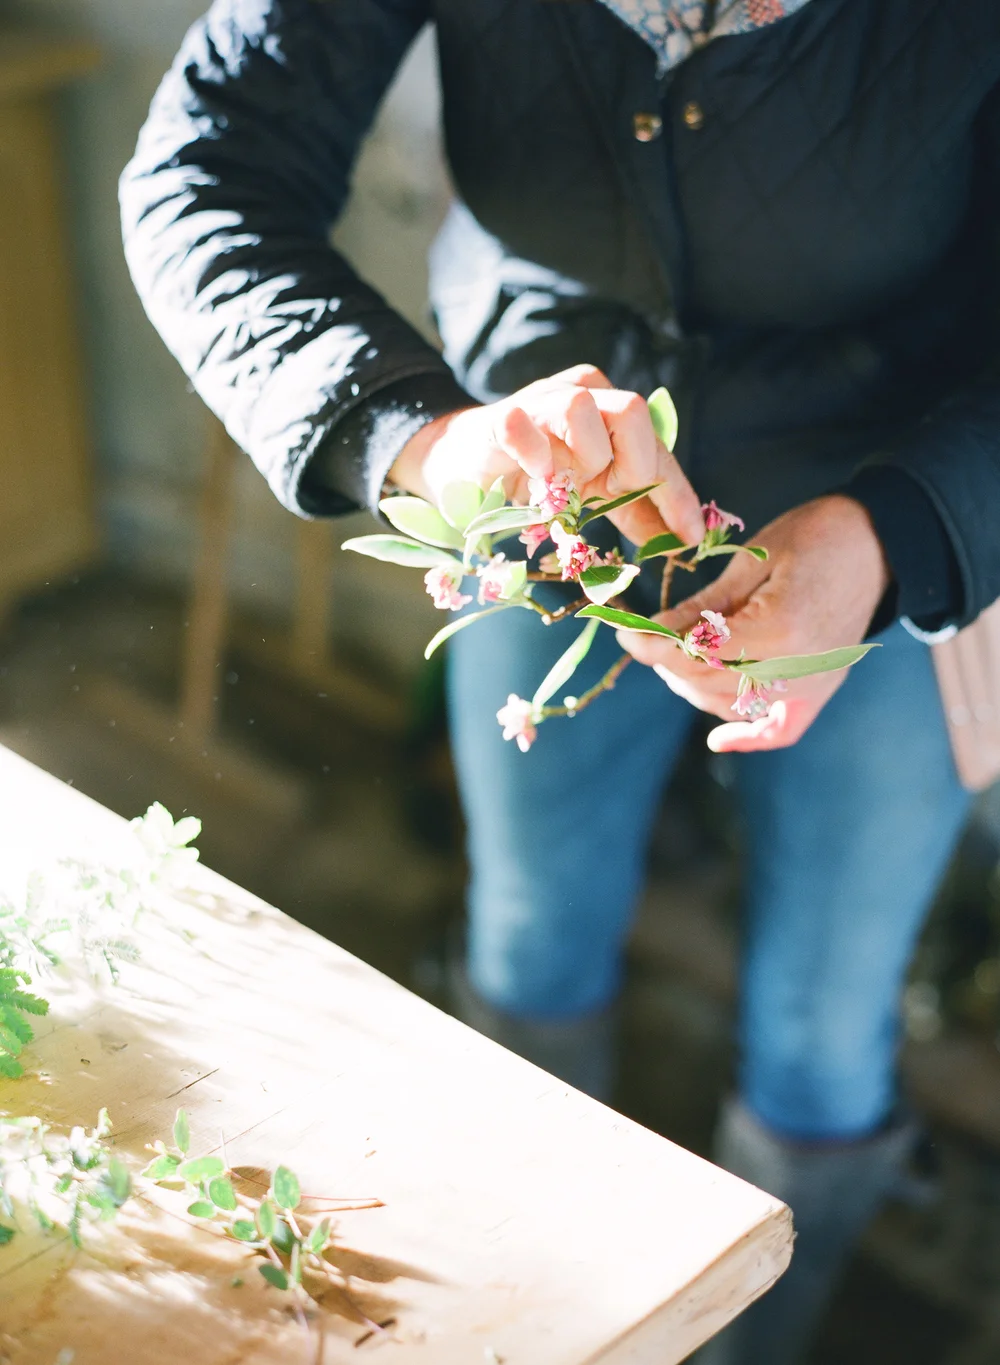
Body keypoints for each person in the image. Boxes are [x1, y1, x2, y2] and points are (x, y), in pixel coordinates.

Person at [121, 2, 1000, 1360]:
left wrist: (896, 536)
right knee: (531, 932)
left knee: (828, 1027)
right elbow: (205, 166)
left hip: (895, 524)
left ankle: (754, 1338)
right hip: (536, 506)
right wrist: (425, 447)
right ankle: (530, 1315)